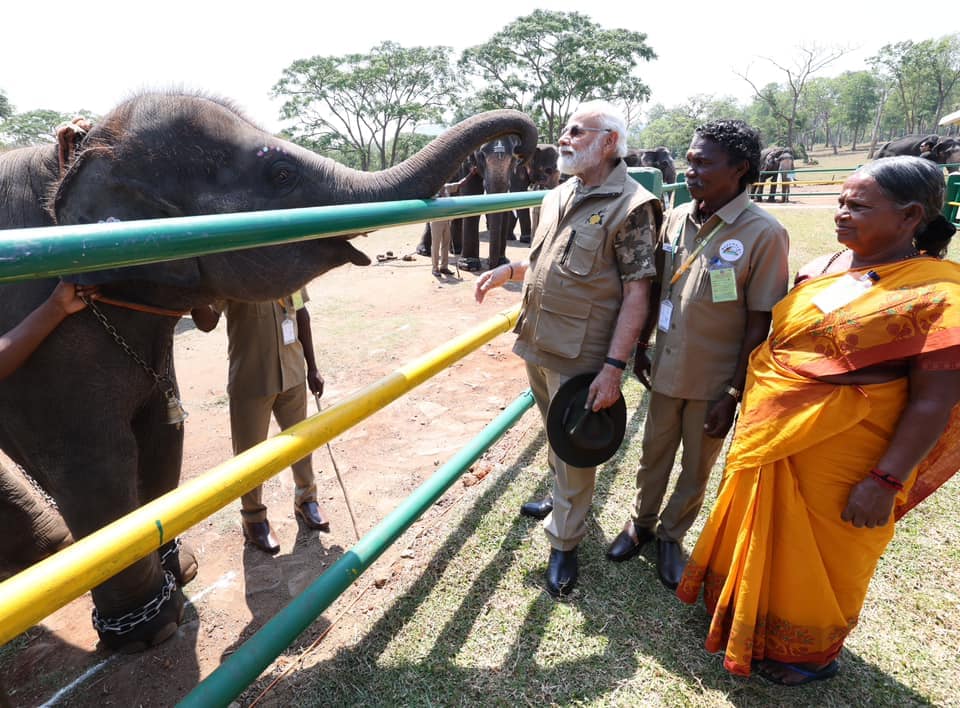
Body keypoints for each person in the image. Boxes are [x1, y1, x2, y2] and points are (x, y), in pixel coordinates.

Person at [677, 155, 960, 686]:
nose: (842, 214)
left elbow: (933, 402)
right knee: (761, 534)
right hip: (772, 433)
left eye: (858, 206)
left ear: (910, 216)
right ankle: (744, 613)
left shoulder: (938, 296)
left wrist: (885, 481)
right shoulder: (823, 267)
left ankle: (805, 653)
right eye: (840, 203)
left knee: (824, 556)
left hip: (847, 456)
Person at [475, 99, 661, 597]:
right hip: (539, 338)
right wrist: (511, 271)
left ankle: (564, 542)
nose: (564, 137)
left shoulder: (632, 206)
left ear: (608, 143)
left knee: (575, 445)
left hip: (583, 351)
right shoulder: (559, 194)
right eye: (564, 129)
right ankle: (560, 501)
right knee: (552, 428)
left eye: (577, 131)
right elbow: (547, 259)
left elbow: (638, 293)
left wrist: (613, 367)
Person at [606, 120, 790, 591]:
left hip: (715, 381)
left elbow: (759, 321)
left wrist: (733, 391)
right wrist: (643, 347)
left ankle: (671, 536)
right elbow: (656, 288)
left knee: (696, 465)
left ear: (741, 169)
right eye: (690, 161)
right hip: (666, 366)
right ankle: (641, 524)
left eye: (704, 162)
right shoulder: (676, 217)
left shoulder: (764, 233)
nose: (691, 171)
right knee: (653, 454)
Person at [191, 288, 329, 555]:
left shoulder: (290, 268)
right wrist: (191, 288)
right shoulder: (233, 272)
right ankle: (253, 518)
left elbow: (301, 313)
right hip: (252, 381)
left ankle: (306, 499)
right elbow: (207, 322)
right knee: (249, 456)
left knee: (301, 444)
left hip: (293, 376)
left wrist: (312, 366)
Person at [431, 167, 478, 278]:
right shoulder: (432, 191)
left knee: (446, 244)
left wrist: (471, 174)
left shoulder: (447, 188)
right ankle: (435, 268)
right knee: (436, 245)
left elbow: (460, 184)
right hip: (436, 221)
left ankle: (444, 267)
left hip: (447, 220)